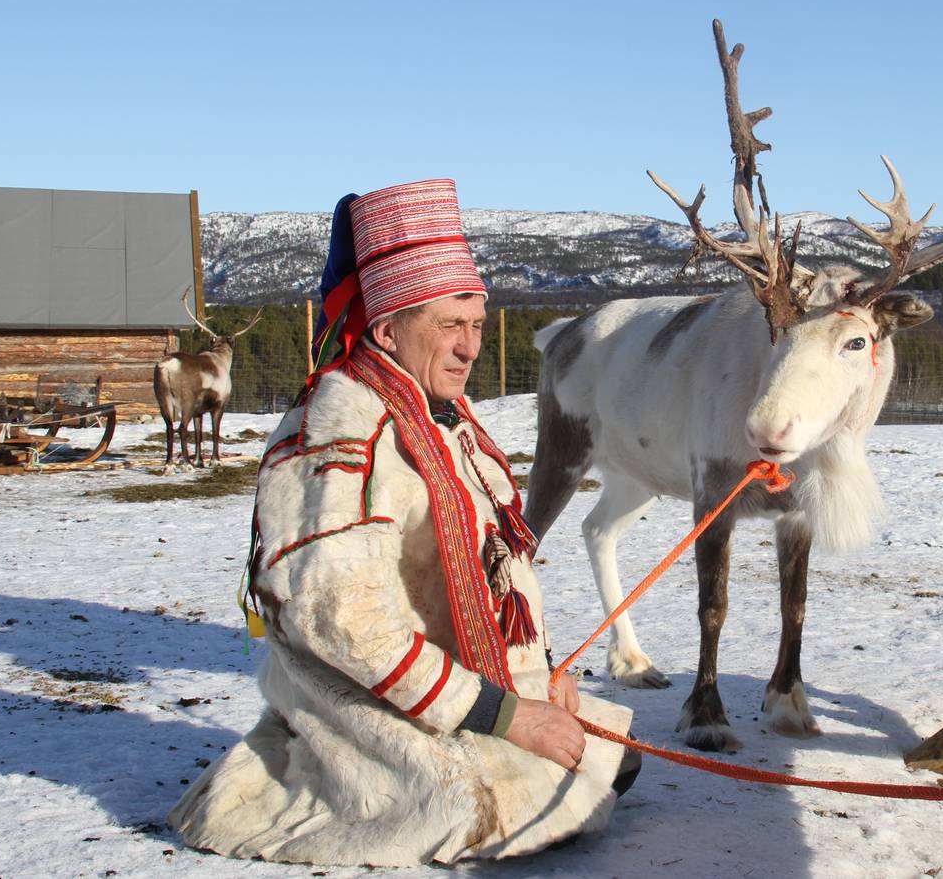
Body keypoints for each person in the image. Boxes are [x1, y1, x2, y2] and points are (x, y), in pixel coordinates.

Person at [169, 179, 636, 866]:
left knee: (603, 764)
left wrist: (543, 672)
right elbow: (342, 622)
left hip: (463, 679)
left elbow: (496, 570)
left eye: (476, 325)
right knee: (507, 810)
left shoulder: (444, 421)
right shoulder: (338, 436)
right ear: (386, 330)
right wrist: (512, 715)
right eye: (448, 326)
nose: (469, 348)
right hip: (369, 703)